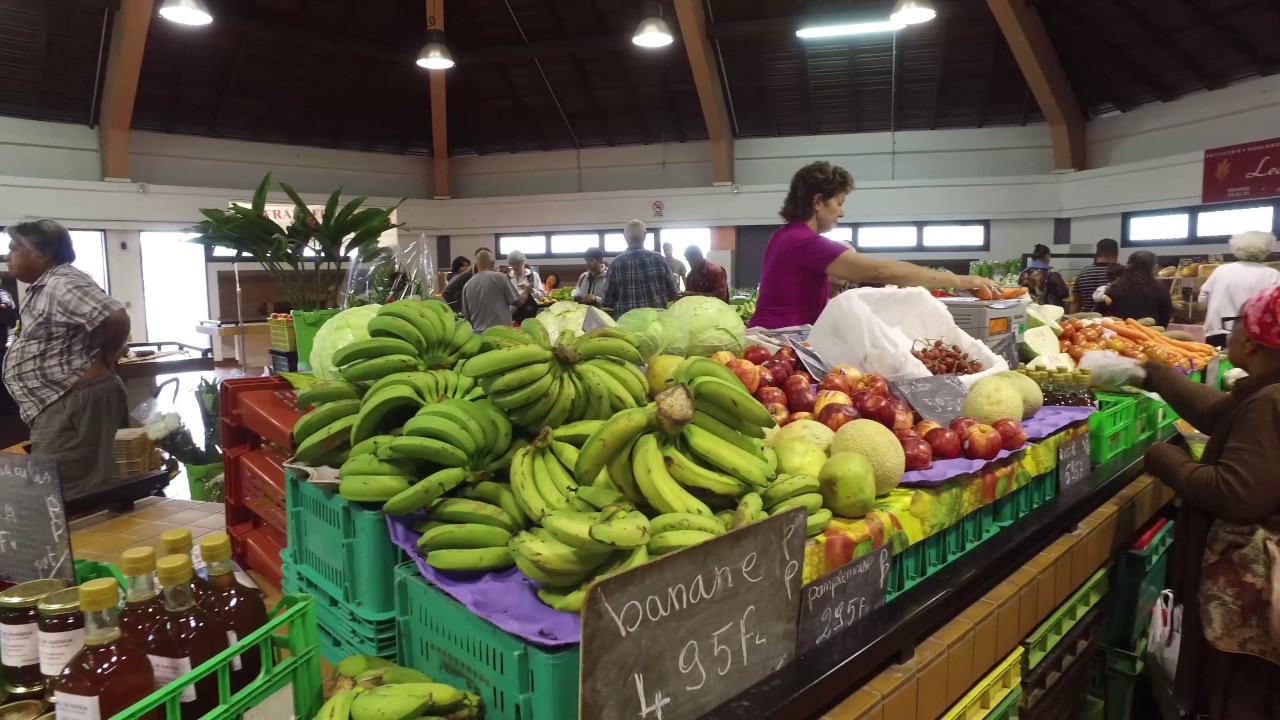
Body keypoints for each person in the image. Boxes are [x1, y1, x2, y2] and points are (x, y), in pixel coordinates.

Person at [1128, 283, 1280, 718]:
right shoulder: (1266, 390)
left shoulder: (1271, 401)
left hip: (1256, 604)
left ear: (1250, 342)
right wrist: (1156, 374)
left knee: (1242, 694)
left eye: (1234, 328)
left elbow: (1234, 493)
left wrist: (1165, 457)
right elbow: (1222, 416)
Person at [749, 161, 1000, 329]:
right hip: (779, 342)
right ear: (818, 202)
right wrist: (960, 281)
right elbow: (882, 271)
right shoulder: (802, 241)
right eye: (839, 202)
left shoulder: (785, 236)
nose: (842, 212)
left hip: (780, 334)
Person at [2, 220, 131, 501]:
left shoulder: (61, 281)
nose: (7, 255)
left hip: (71, 398)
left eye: (14, 248)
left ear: (43, 253)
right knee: (77, 484)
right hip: (62, 400)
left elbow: (116, 316)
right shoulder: (46, 284)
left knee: (62, 491)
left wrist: (108, 357)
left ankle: (86, 543)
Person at [1200, 231, 1280, 348]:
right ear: (1266, 250)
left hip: (1217, 331)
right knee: (1248, 366)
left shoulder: (1221, 270)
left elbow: (1202, 299)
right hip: (1252, 336)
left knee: (1216, 364)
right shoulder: (1272, 274)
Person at [603, 221, 678, 315]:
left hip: (627, 325)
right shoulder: (659, 259)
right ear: (645, 235)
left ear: (625, 237)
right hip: (657, 323)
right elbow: (674, 292)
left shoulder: (615, 264)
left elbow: (607, 301)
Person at [1102, 250, 1173, 326]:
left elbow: (1100, 310)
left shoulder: (1115, 286)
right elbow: (1165, 314)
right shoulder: (1160, 287)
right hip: (1151, 332)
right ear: (1152, 267)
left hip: (1121, 332)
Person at [462, 250, 522, 332]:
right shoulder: (501, 277)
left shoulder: (467, 285)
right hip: (502, 332)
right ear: (493, 263)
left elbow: (467, 316)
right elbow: (517, 302)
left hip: (479, 333)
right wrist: (526, 291)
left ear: (476, 265)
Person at [1071, 238, 1119, 313]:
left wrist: (1071, 320)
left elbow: (1075, 303)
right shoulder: (1122, 273)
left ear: (1097, 253)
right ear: (1116, 253)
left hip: (1085, 320)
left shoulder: (1083, 273)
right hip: (1112, 321)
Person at [441, 247, 488, 314]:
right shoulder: (462, 277)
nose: (466, 268)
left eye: (467, 266)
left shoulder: (478, 274)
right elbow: (446, 293)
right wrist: (457, 308)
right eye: (463, 266)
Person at [506, 250, 544, 323]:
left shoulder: (532, 276)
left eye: (517, 264)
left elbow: (541, 296)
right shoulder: (507, 278)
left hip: (529, 314)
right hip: (512, 315)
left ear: (523, 262)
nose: (514, 267)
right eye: (512, 264)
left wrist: (531, 290)